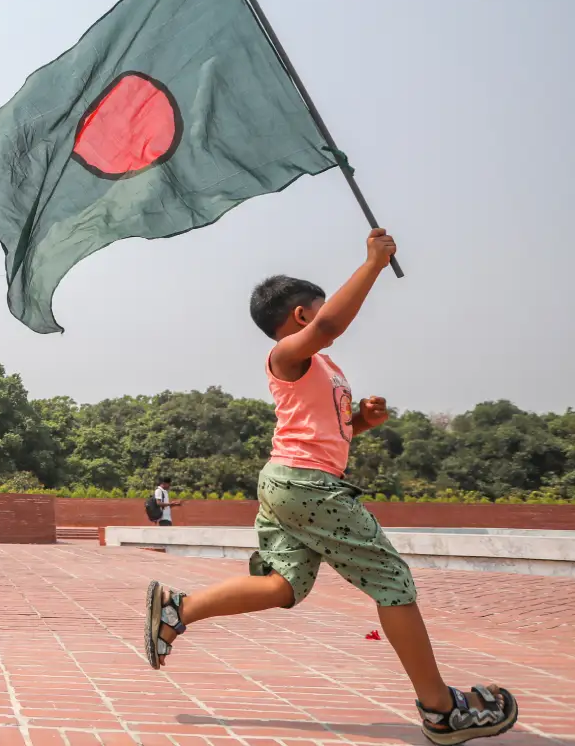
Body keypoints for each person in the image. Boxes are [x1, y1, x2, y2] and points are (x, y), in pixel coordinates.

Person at [142, 230, 516, 744]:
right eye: (317, 311)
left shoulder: (323, 367)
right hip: (306, 483)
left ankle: (177, 609)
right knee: (392, 581)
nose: (326, 320)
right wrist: (373, 264)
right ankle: (440, 709)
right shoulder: (286, 356)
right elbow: (330, 325)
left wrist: (362, 421)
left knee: (282, 586)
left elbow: (328, 432)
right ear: (301, 316)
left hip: (293, 479)